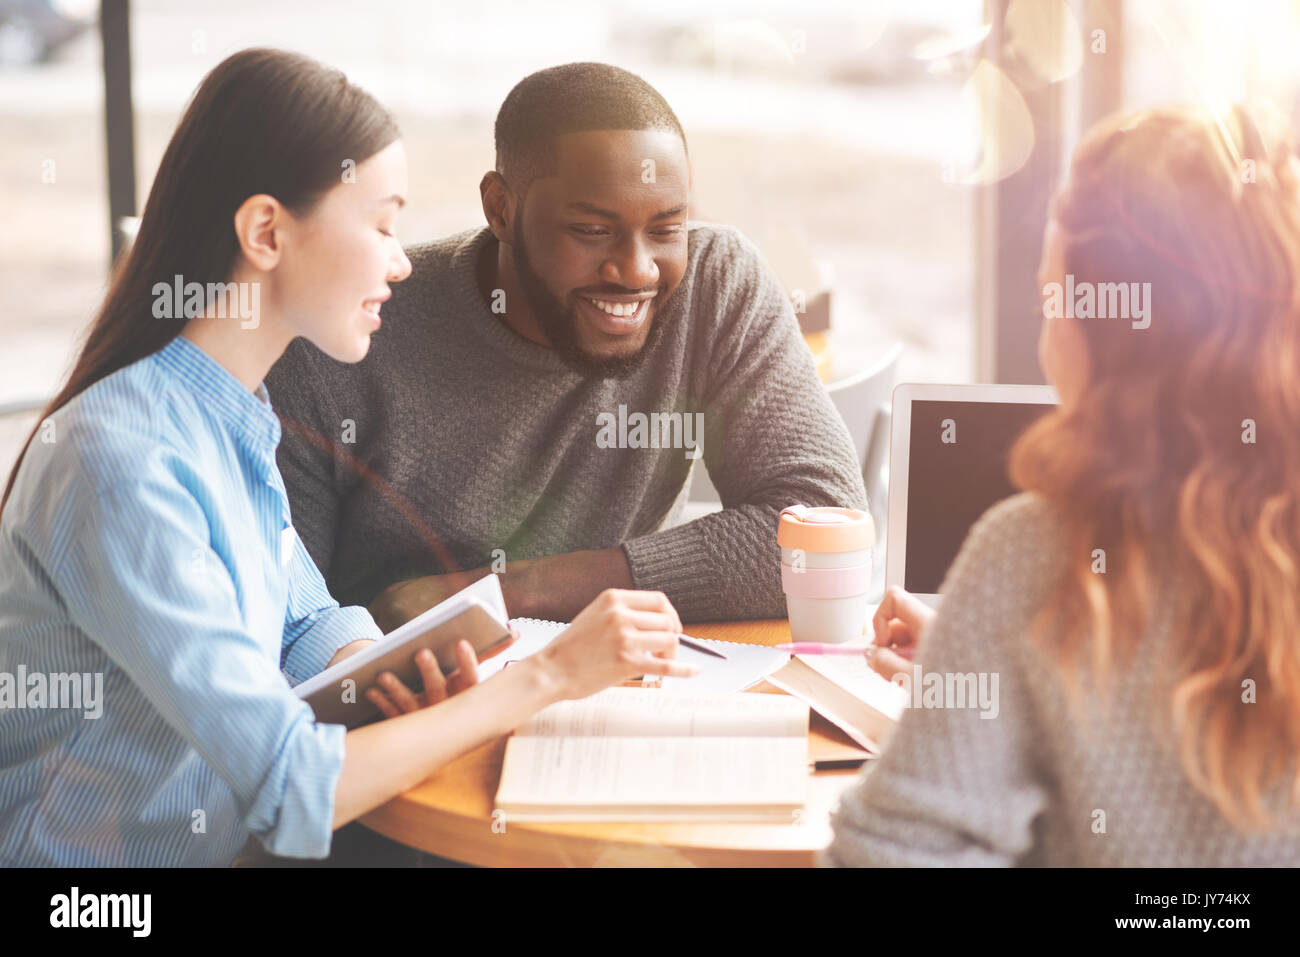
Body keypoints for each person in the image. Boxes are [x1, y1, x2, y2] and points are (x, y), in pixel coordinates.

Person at [0, 48, 696, 868]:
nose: (400, 260)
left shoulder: (230, 414)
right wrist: (545, 678)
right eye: (381, 223)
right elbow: (293, 784)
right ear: (267, 233)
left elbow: (305, 622)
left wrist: (389, 670)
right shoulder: (123, 460)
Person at [827, 104, 1300, 865]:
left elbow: (886, 855)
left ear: (1114, 340)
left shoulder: (1037, 554)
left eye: (1054, 303)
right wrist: (985, 672)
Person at [264, 62, 866, 632]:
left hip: (621, 677)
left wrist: (501, 593)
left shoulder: (715, 282)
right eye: (592, 231)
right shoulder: (341, 335)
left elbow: (826, 532)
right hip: (402, 691)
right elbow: (283, 622)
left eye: (666, 228)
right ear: (500, 209)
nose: (637, 270)